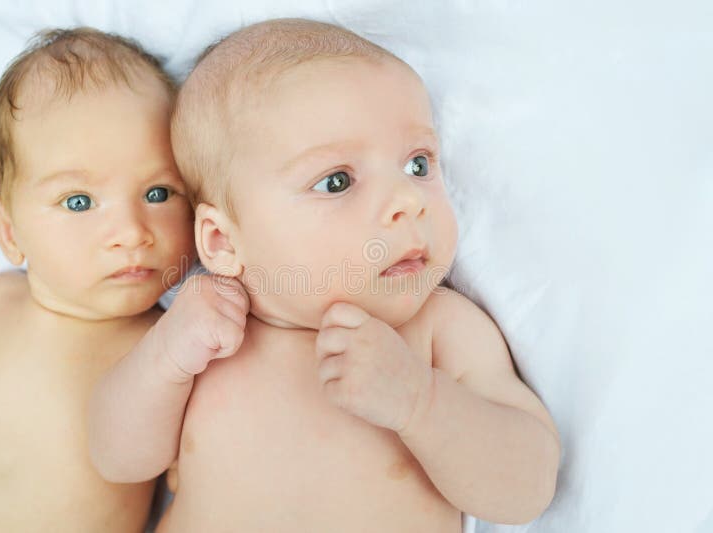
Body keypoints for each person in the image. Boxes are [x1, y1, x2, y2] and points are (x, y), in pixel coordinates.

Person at [90, 18, 560, 532]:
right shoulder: (205, 333)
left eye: (418, 165)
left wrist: (419, 401)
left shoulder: (437, 331)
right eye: (337, 181)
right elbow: (118, 460)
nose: (408, 201)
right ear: (223, 242)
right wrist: (166, 358)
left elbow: (528, 490)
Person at [0, 27, 196, 532]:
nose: (131, 233)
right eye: (79, 202)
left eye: (158, 193)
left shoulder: (166, 343)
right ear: (9, 230)